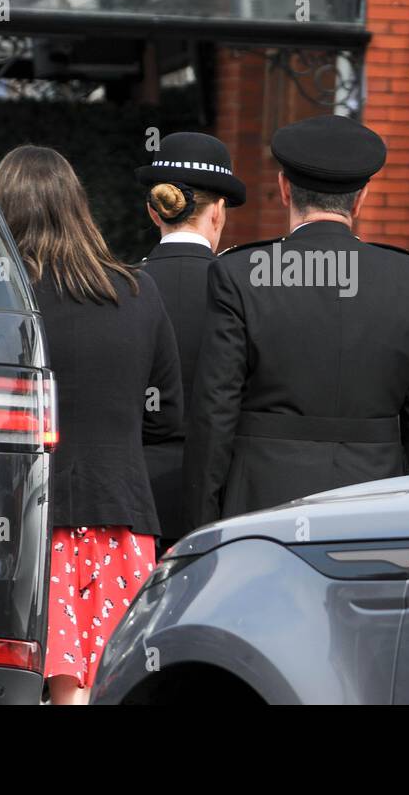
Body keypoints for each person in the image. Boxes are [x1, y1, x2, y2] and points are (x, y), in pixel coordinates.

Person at [184, 114, 409, 527]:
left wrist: (200, 524)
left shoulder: (240, 272)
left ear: (284, 188)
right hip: (376, 501)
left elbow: (214, 411)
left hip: (262, 503)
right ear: (361, 197)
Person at [0, 145, 181, 705]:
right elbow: (166, 412)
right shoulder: (138, 292)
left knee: (32, 680)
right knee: (102, 680)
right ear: (78, 206)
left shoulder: (1, 295)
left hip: (23, 514)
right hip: (120, 510)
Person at [135, 132, 246, 552]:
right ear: (217, 213)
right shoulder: (245, 291)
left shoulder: (122, 286)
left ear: (154, 211)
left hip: (134, 495)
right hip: (220, 497)